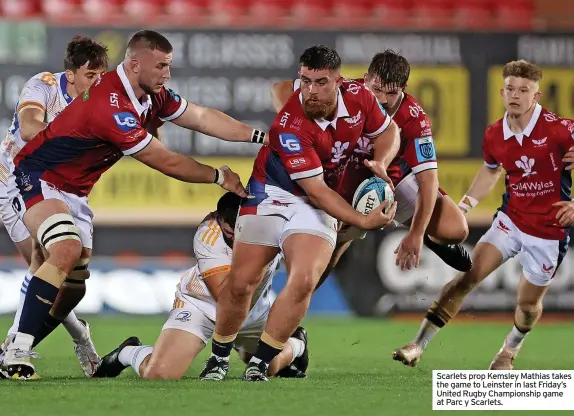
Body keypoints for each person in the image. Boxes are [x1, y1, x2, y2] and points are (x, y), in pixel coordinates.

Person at [0, 30, 264, 380]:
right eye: (161, 66)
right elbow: (164, 161)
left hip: (75, 191)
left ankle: (30, 341)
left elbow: (200, 117)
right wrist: (218, 175)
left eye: (169, 66)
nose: (167, 73)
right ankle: (17, 349)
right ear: (135, 64)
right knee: (64, 249)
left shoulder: (152, 95)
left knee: (73, 286)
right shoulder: (109, 103)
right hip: (37, 175)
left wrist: (259, 136)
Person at [199, 45, 399, 382]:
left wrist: (381, 161)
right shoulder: (291, 123)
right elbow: (317, 191)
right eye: (305, 82)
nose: (311, 91)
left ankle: (260, 363)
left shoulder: (361, 96)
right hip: (272, 192)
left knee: (304, 280)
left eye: (321, 82)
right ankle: (218, 358)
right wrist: (362, 221)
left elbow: (388, 131)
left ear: (339, 81)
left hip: (314, 200)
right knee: (242, 284)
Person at [393, 60, 574, 370]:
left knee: (528, 306)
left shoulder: (561, 130)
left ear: (537, 96)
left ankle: (509, 350)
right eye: (510, 89)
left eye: (524, 90)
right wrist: (463, 207)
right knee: (467, 278)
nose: (516, 95)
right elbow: (491, 170)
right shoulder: (495, 134)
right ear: (502, 92)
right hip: (510, 221)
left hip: (549, 231)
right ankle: (418, 344)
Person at [271, 50, 471, 285]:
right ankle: (294, 315)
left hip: (390, 179)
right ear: (365, 80)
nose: (383, 99)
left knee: (457, 230)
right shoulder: (344, 92)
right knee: (330, 250)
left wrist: (416, 234)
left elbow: (428, 180)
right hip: (343, 174)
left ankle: (429, 235)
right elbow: (279, 89)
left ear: (404, 88)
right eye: (376, 89)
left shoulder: (415, 118)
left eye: (392, 92)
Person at [94, 192, 309, 380]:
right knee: (158, 373)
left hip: (252, 312)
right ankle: (128, 352)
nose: (237, 241)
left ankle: (297, 343)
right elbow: (226, 297)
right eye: (230, 233)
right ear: (220, 220)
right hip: (202, 306)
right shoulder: (209, 236)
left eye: (244, 234)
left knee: (270, 367)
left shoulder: (275, 228)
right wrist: (261, 258)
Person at [0, 35, 109, 378]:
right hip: (14, 179)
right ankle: (16, 348)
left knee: (57, 276)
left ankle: (71, 335)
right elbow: (31, 125)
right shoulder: (44, 85)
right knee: (47, 266)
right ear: (72, 73)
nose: (97, 83)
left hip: (59, 186)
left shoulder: (100, 100)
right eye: (91, 75)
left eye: (102, 76)